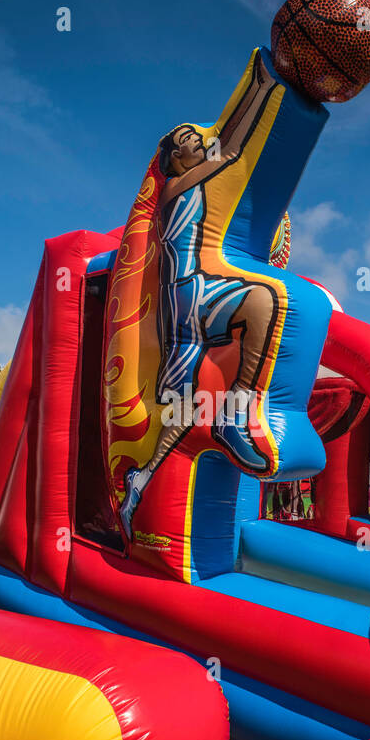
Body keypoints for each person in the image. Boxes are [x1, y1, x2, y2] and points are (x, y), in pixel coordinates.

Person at [118, 52, 285, 540]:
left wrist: (262, 86)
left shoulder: (197, 185)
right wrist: (260, 85)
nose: (198, 143)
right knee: (181, 408)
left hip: (200, 296)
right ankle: (142, 478)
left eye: (196, 138)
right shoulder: (176, 187)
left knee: (262, 302)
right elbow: (230, 148)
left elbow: (228, 151)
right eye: (188, 142)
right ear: (173, 161)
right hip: (183, 299)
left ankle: (227, 419)